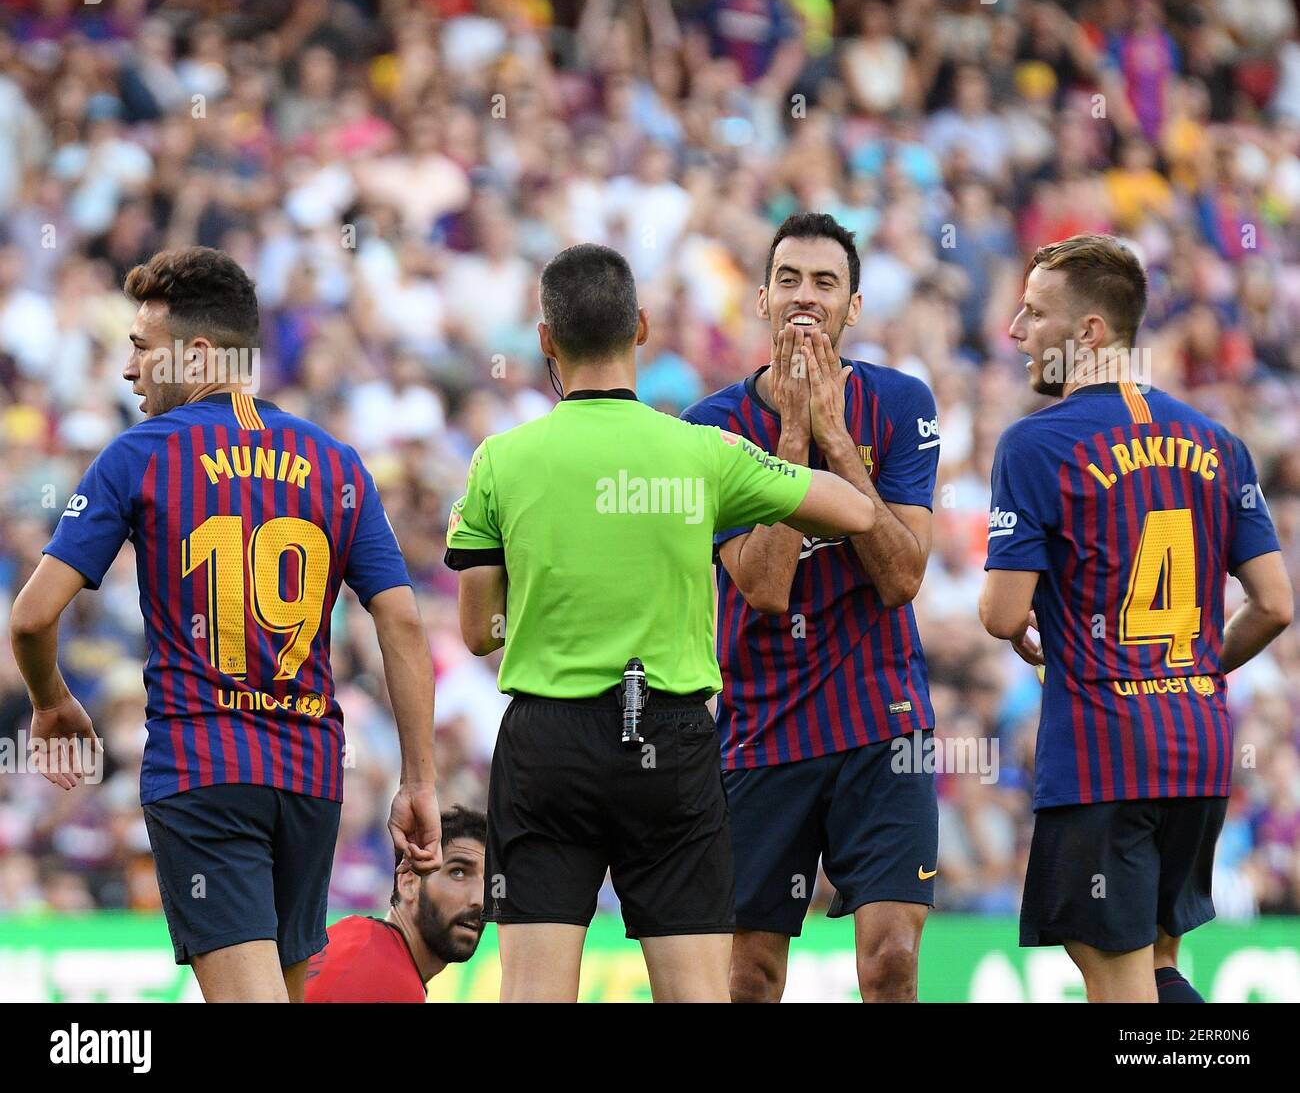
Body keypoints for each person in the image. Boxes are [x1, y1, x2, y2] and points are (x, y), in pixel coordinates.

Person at [444, 243, 879, 1003]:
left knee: (532, 995)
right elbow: (855, 510)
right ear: (641, 327)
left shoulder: (499, 460)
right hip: (669, 739)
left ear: (546, 339)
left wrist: (550, 615)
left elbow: (479, 629)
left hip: (546, 743)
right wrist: (802, 439)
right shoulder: (702, 452)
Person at [8, 246, 441, 1003]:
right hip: (311, 777)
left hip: (204, 771)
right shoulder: (336, 462)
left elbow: (33, 614)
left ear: (198, 354)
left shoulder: (138, 454)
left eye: (142, 349)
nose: (128, 370)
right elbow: (401, 621)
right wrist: (420, 777)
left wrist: (50, 702)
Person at [980, 233, 1293, 1003]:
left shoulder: (1034, 444)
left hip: (1101, 749)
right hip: (1197, 742)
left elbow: (999, 613)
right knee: (1157, 963)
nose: (1015, 331)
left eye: (1034, 313)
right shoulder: (1218, 442)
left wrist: (1028, 631)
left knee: (1115, 980)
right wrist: (1186, 668)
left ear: (1089, 333)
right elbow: (1276, 604)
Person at [681, 212, 940, 1002]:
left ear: (852, 307)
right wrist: (794, 437)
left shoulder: (900, 404)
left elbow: (902, 577)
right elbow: (763, 586)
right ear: (760, 297)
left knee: (890, 959)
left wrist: (835, 435)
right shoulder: (712, 428)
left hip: (884, 720)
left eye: (825, 282)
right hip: (764, 726)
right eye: (788, 279)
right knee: (750, 976)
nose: (804, 296)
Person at [305, 806, 486, 1003]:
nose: (480, 900)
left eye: (490, 881)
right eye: (458, 872)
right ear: (408, 882)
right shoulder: (383, 979)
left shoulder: (357, 939)